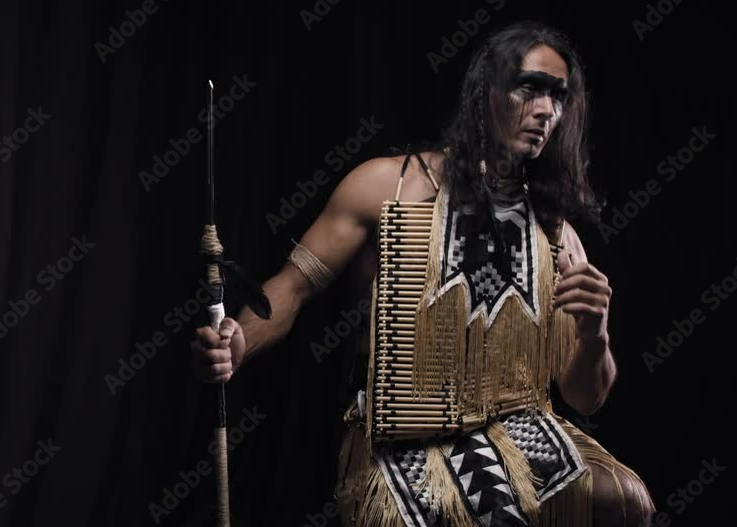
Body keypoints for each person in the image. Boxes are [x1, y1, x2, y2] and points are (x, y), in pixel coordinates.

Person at [192, 21, 654, 527]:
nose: (547, 110)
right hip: (402, 435)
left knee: (624, 500)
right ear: (485, 92)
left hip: (516, 426)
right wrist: (240, 341)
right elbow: (293, 288)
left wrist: (595, 334)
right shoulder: (388, 185)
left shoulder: (556, 235)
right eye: (530, 88)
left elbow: (585, 394)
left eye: (558, 97)